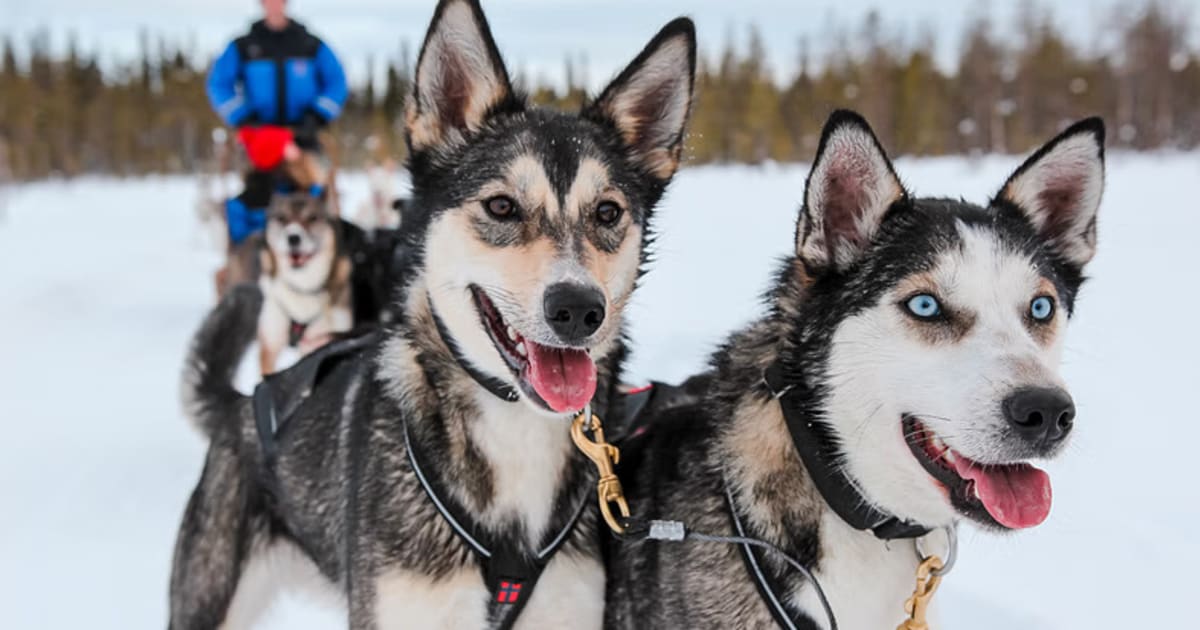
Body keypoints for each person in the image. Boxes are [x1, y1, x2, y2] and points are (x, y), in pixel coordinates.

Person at [207, 0, 347, 245]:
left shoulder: (309, 44)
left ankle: (318, 245)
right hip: (260, 135)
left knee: (312, 186)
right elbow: (219, 84)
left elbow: (336, 83)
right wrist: (243, 117)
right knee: (258, 190)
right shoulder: (245, 45)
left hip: (303, 133)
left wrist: (317, 116)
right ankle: (254, 246)